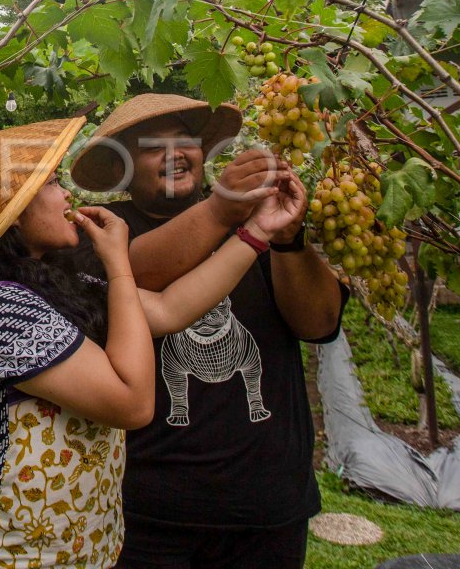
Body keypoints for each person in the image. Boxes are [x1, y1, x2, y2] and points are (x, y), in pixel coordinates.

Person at [0, 116, 305, 569]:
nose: (68, 195)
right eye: (51, 184)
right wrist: (119, 265)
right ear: (14, 209)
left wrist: (257, 233)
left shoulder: (58, 282)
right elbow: (132, 403)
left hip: (72, 549)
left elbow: (167, 308)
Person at [65, 93, 348, 569]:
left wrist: (288, 240)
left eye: (185, 141)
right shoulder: (104, 233)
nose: (175, 154)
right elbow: (135, 273)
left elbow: (319, 325)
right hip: (151, 514)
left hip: (268, 505)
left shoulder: (256, 221)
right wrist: (223, 211)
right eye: (153, 147)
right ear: (124, 170)